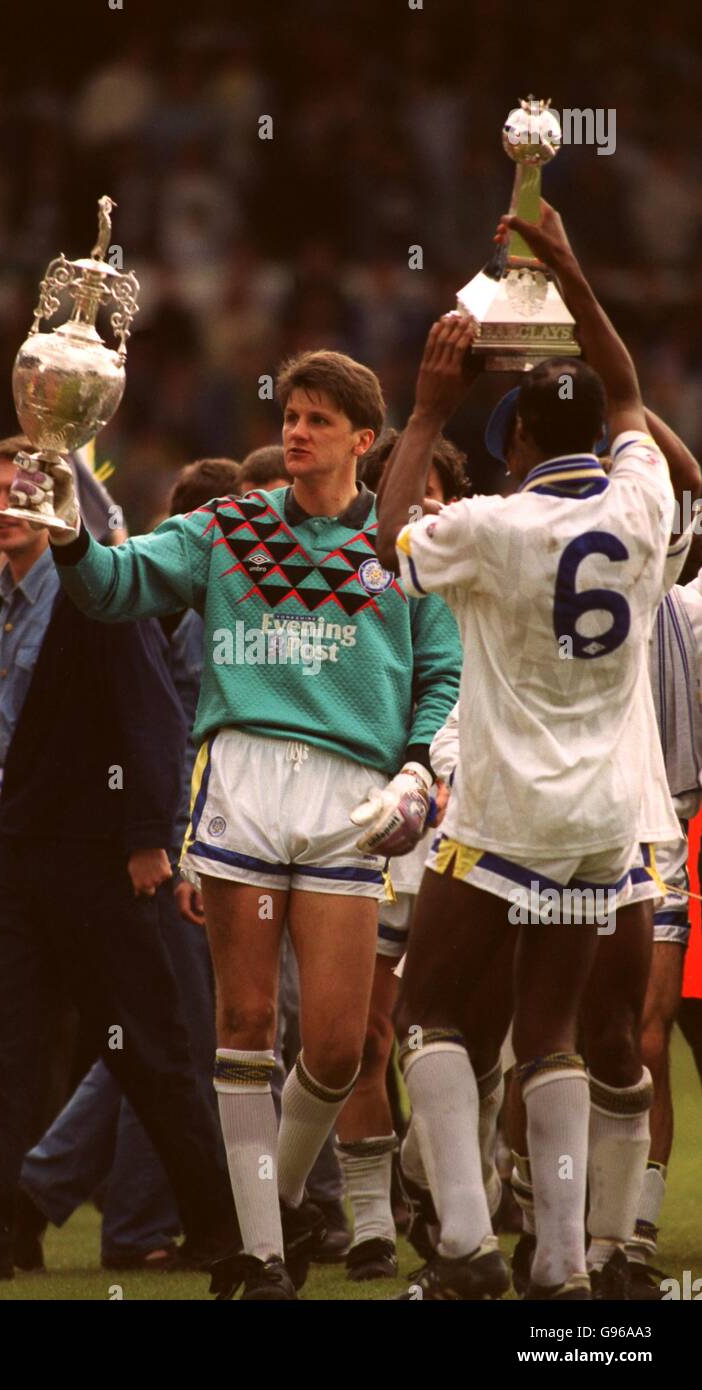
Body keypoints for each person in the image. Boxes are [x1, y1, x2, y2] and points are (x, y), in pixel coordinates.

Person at [31, 347, 461, 1299]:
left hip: (354, 790)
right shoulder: (223, 527)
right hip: (244, 782)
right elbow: (110, 587)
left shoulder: (407, 543)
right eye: (288, 416)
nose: (294, 431)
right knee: (247, 1019)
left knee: (343, 1047)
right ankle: (262, 1254)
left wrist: (420, 764)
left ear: (362, 440)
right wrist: (66, 532)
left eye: (315, 420)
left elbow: (442, 672)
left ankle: (283, 1209)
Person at [377, 201, 699, 1301]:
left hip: (504, 812)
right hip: (609, 825)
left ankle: (466, 1248)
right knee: (556, 1031)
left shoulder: (492, 525)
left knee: (431, 1015)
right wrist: (570, 268)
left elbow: (385, 543)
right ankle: (564, 1264)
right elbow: (629, 396)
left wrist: (425, 412)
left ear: (513, 442)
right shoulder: (646, 502)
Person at [0, 445, 239, 1282]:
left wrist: (147, 838)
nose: (0, 506)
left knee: (150, 1053)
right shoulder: (9, 599)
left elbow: (151, 711)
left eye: (21, 493)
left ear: (59, 504)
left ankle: (223, 1231)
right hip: (22, 843)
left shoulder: (92, 584)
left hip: (102, 852)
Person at [334, 428, 469, 1282]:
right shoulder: (356, 584)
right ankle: (373, 1225)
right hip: (379, 823)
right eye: (397, 490)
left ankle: (446, 1186)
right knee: (362, 1035)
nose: (416, 504)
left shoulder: (497, 569)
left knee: (469, 1038)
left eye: (430, 489)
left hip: (482, 825)